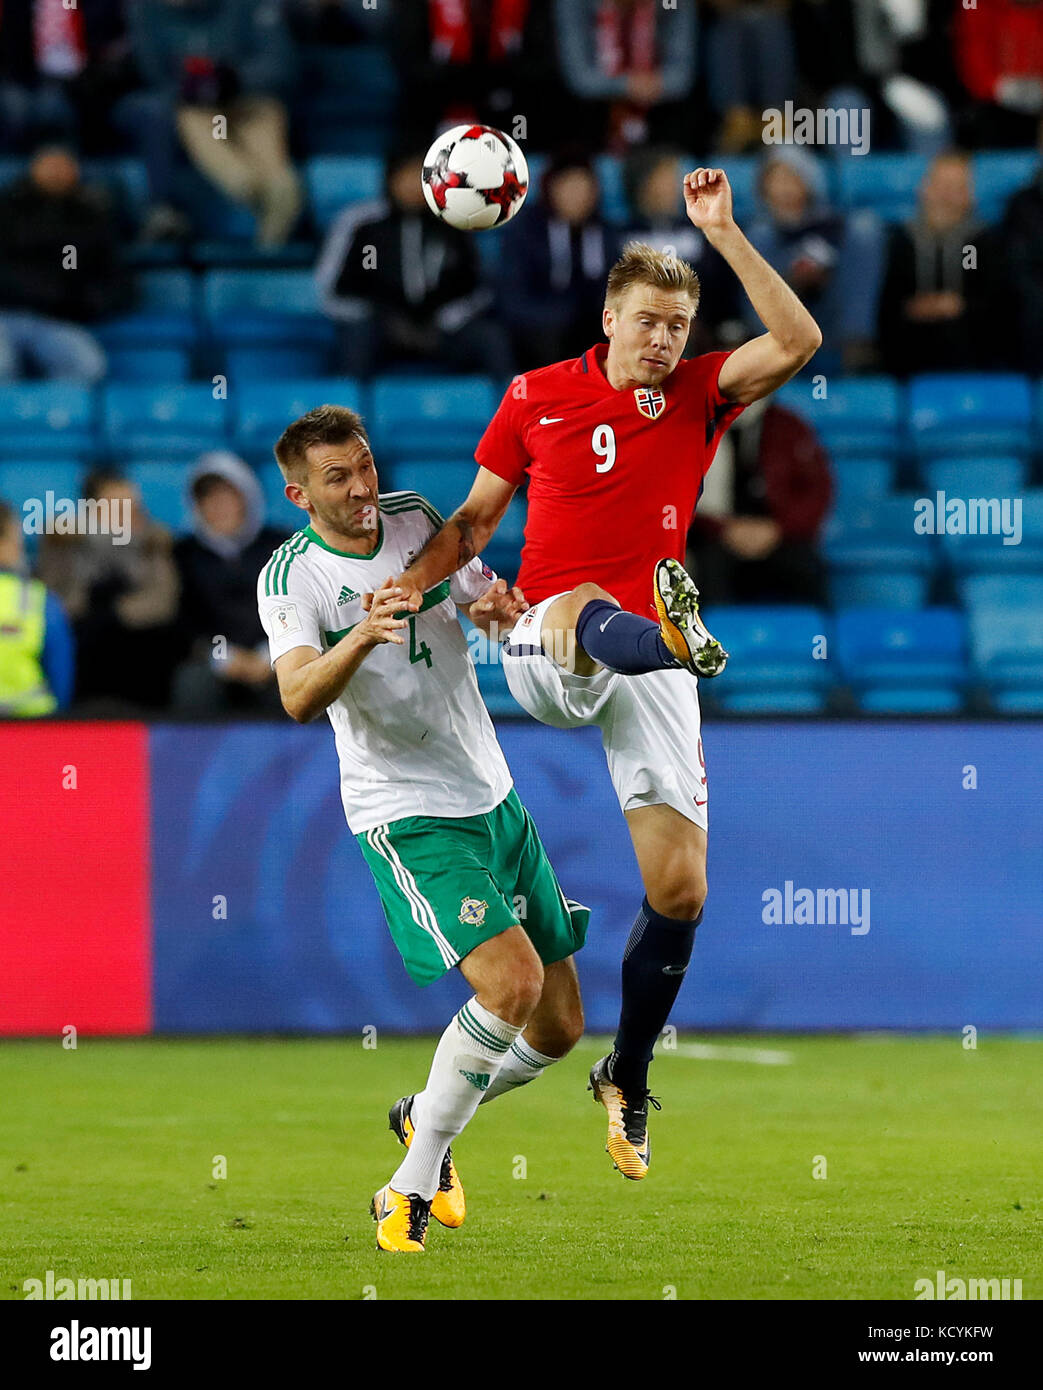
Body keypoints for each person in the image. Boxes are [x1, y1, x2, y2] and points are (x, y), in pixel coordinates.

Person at [388, 170, 821, 1181]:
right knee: (587, 606)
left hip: (653, 655)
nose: (664, 340)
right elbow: (474, 521)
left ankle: (621, 1076)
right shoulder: (536, 393)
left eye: (677, 324)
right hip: (548, 636)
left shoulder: (701, 394)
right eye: (646, 322)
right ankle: (671, 636)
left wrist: (723, 231)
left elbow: (797, 342)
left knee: (679, 887)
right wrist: (412, 586)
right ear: (607, 318)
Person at [257, 404, 589, 1252]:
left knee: (556, 1029)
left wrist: (495, 611)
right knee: (509, 984)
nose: (362, 485)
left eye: (364, 464)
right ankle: (407, 1185)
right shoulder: (290, 578)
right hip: (405, 811)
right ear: (299, 492)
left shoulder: (414, 519)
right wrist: (362, 633)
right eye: (338, 476)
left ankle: (422, 1117)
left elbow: (476, 596)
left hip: (491, 791)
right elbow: (297, 697)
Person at [315, 148, 514, 380]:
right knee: (356, 338)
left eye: (422, 177)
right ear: (390, 178)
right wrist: (385, 318)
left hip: (442, 330)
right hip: (381, 328)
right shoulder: (363, 226)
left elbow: (477, 288)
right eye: (406, 176)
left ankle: (512, 412)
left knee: (491, 338)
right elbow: (333, 290)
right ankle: (352, 410)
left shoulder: (455, 225)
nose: (412, 185)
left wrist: (444, 320)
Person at [127, 0, 302, 248]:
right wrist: (198, 87)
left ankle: (268, 251)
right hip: (196, 108)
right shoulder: (146, 10)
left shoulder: (252, 6)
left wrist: (230, 79)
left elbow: (280, 64)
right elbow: (153, 73)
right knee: (243, 182)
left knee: (282, 190)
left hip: (250, 103)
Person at [37, 468, 181, 712]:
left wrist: (115, 612)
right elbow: (54, 603)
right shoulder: (66, 544)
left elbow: (163, 604)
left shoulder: (153, 543)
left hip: (141, 664)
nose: (128, 512)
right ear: (92, 511)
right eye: (116, 505)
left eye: (132, 504)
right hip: (83, 665)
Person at [0, 144, 134, 382]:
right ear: (33, 167)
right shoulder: (7, 210)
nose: (56, 171)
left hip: (57, 320)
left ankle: (51, 417)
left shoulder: (92, 218)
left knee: (87, 365)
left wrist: (86, 302)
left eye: (64, 164)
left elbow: (117, 279)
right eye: (49, 163)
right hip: (6, 315)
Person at [172, 451, 289, 716]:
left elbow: (301, 607)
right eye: (208, 499)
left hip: (277, 655)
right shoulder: (183, 555)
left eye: (226, 496)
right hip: (213, 661)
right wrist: (222, 655)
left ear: (246, 498)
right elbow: (182, 621)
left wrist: (269, 653)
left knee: (300, 681)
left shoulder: (281, 547)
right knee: (192, 684)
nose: (218, 507)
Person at [686, 394, 832, 605]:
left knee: (808, 570)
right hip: (714, 538)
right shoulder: (694, 426)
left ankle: (812, 635)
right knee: (700, 574)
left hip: (779, 536)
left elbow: (817, 491)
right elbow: (674, 499)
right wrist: (724, 529)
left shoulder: (789, 427)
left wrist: (778, 529)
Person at [878, 150, 1003, 376]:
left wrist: (956, 306)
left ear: (969, 196)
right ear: (923, 189)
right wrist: (916, 308)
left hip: (972, 359)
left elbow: (993, 303)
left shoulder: (977, 244)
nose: (946, 196)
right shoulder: (903, 241)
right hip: (907, 355)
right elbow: (887, 306)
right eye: (940, 186)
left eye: (955, 188)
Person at [500, 150, 610, 369]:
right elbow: (512, 298)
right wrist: (563, 317)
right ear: (551, 188)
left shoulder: (605, 232)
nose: (578, 195)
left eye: (584, 186)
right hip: (538, 332)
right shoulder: (525, 231)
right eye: (569, 186)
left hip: (590, 328)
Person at [0, 499, 75, 717]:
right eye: (14, 537)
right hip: (35, 730)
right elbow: (62, 679)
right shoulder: (40, 600)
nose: (20, 546)